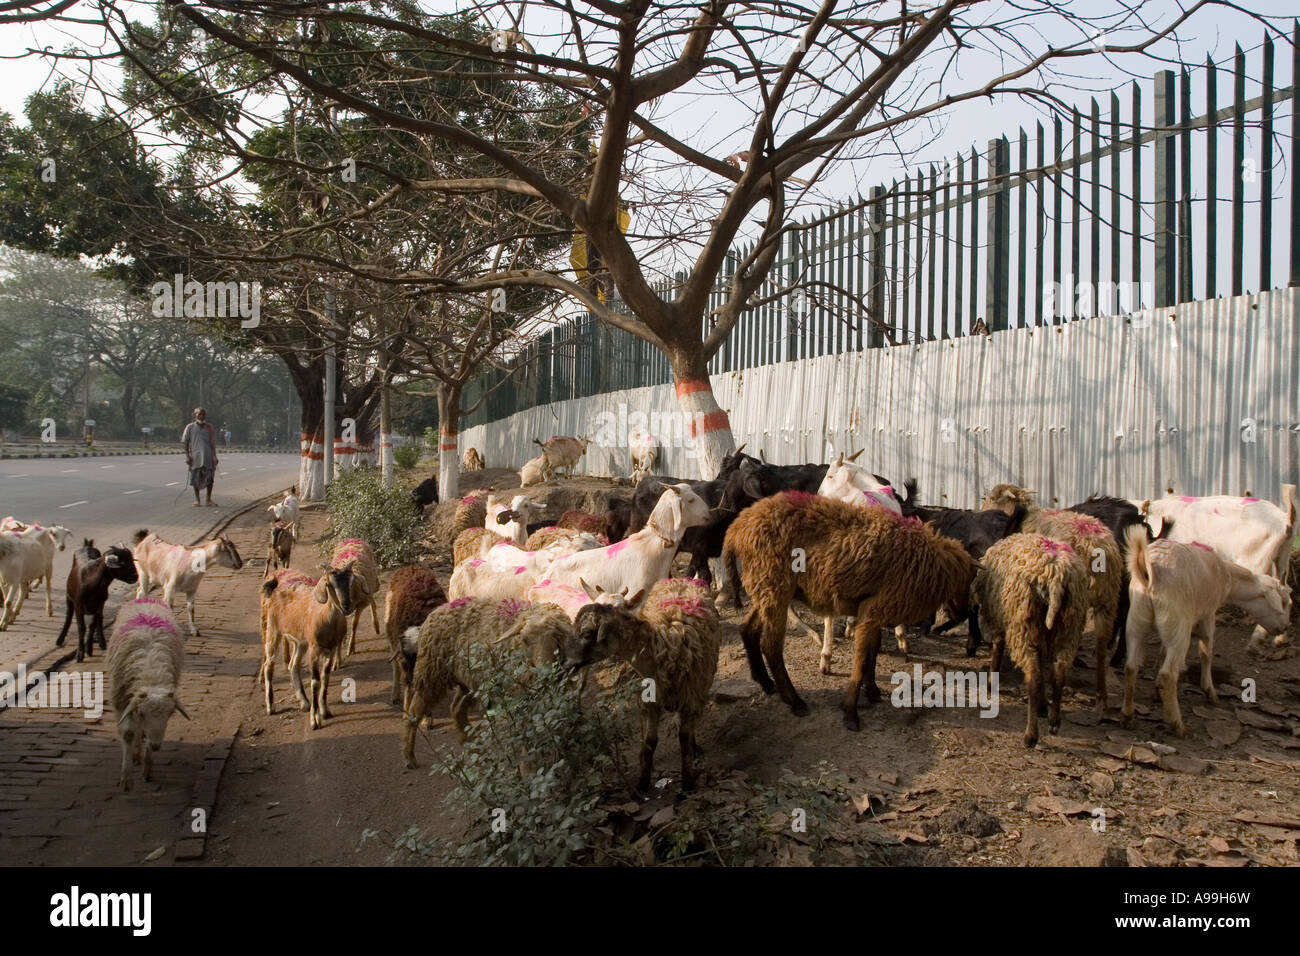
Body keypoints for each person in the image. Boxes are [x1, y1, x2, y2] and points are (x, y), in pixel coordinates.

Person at [181, 407, 220, 507]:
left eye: (203, 414)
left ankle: (208, 499)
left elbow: (213, 444)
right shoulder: (190, 427)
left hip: (208, 456)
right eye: (199, 414)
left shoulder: (209, 427)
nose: (201, 416)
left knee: (210, 479)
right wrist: (187, 456)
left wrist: (215, 456)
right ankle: (197, 500)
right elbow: (185, 442)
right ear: (195, 415)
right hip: (195, 457)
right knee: (195, 479)